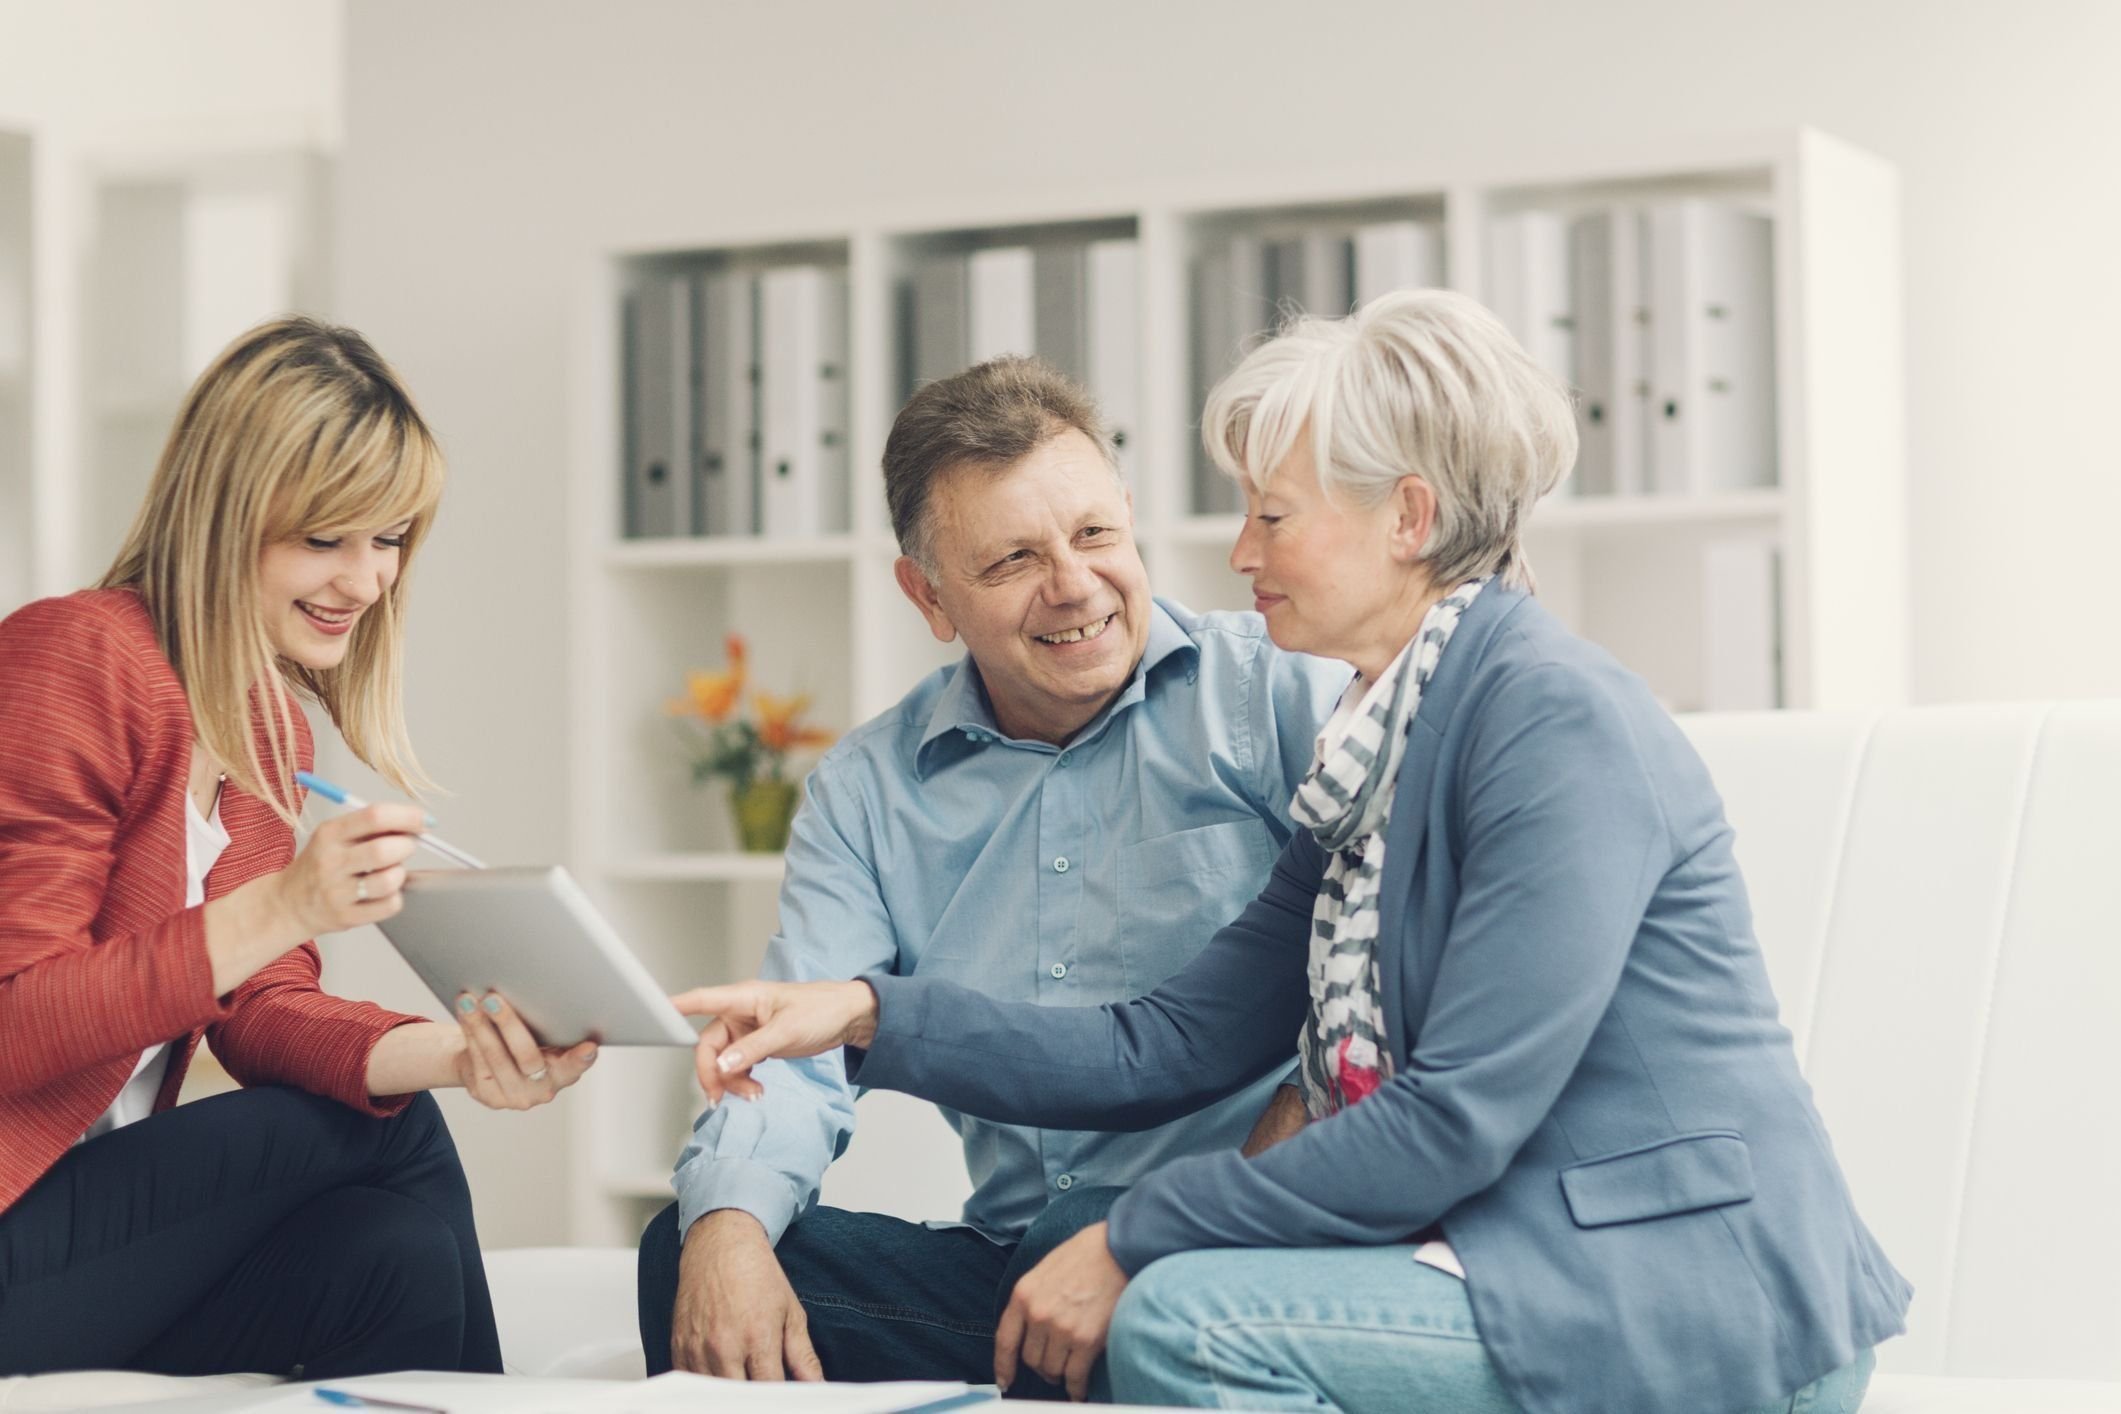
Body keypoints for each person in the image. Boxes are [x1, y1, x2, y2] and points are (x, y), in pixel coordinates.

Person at [672, 291, 1913, 1413]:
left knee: (1186, 1324)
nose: (1240, 554)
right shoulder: (1378, 749)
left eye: (1272, 514)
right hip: (1515, 1257)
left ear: (1406, 520)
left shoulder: (1548, 717)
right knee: (714, 1263)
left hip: (1687, 1292)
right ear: (929, 595)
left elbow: (1453, 1119)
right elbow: (1162, 1041)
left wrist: (1136, 1234)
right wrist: (860, 1012)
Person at [634, 356, 1349, 1394]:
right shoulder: (870, 787)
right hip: (1013, 1273)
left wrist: (1171, 1231)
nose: (1074, 583)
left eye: (1096, 534)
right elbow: (795, 1047)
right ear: (927, 595)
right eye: (1013, 558)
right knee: (690, 1252)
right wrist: (732, 1226)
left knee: (1088, 1231)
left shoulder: (1280, 694)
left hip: (1230, 1245)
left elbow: (1369, 1013)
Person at [0, 317, 598, 1381]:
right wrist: (283, 903)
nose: (366, 581)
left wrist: (464, 1056)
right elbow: (17, 1020)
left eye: (390, 537)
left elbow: (266, 1012)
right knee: (384, 1142)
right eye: (325, 538)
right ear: (225, 520)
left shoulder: (261, 725)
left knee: (394, 1256)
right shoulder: (75, 656)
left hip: (77, 1250)